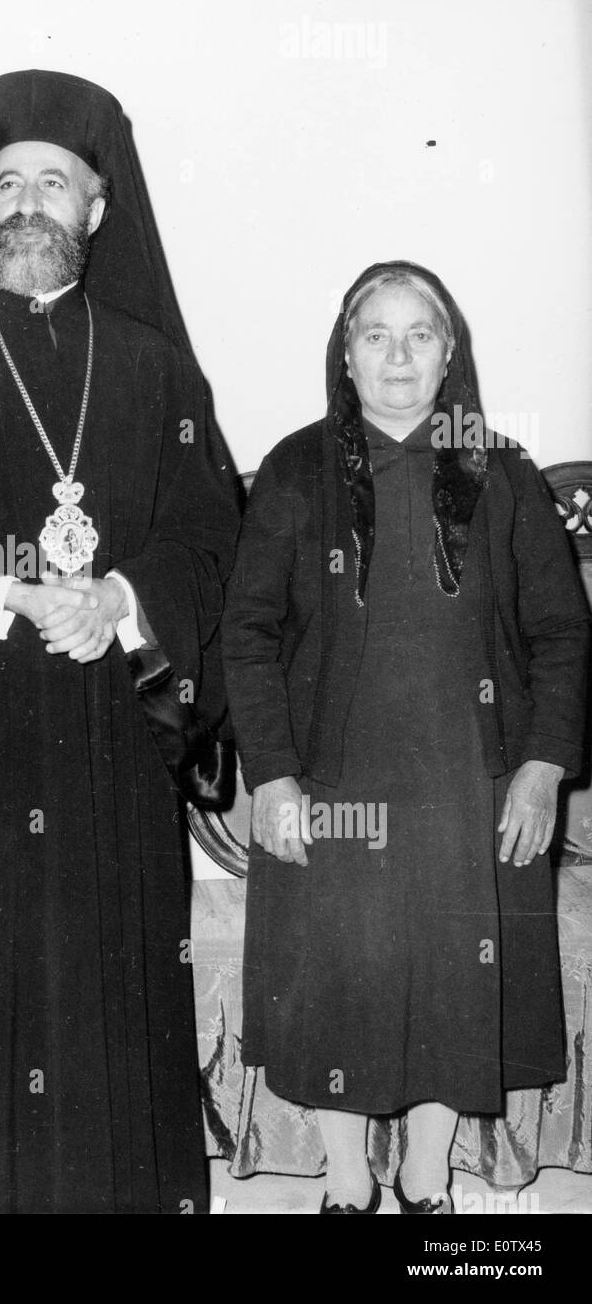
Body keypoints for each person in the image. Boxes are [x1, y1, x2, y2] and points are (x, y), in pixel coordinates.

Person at [0, 70, 240, 1214]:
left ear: (97, 211)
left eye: (52, 183)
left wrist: (121, 598)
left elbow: (210, 529)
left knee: (104, 988)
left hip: (110, 732)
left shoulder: (160, 369)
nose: (27, 202)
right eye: (6, 183)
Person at [220, 261, 590, 1213]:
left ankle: (427, 1182)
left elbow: (561, 631)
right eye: (374, 334)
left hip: (473, 774)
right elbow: (248, 632)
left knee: (451, 970)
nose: (396, 354)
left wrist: (544, 767)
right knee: (344, 968)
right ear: (345, 355)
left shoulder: (499, 468)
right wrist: (272, 776)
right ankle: (349, 1184)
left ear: (449, 350)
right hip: (333, 778)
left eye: (418, 333)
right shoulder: (298, 470)